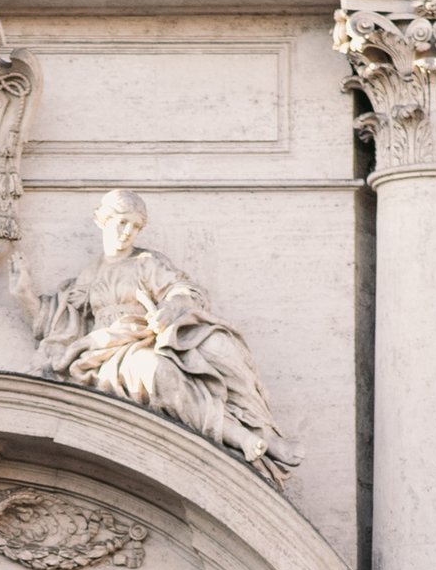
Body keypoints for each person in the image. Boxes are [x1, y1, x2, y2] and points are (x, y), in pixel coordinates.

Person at [17, 188, 299, 486]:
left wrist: (173, 306)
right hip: (104, 350)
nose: (128, 232)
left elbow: (181, 290)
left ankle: (248, 431)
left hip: (137, 335)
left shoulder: (146, 263)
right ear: (101, 220)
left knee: (179, 358)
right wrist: (23, 294)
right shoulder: (90, 275)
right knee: (154, 370)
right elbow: (59, 320)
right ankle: (235, 433)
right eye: (121, 222)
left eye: (136, 226)